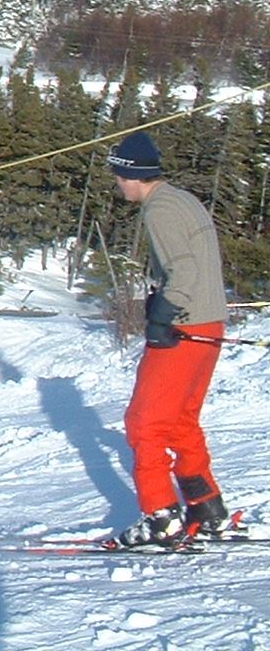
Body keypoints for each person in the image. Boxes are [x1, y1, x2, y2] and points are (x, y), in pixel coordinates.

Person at [108, 130, 231, 547]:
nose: (116, 184)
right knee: (180, 421)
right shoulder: (182, 199)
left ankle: (160, 515)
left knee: (145, 423)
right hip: (209, 324)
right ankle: (205, 506)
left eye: (118, 176)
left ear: (132, 175)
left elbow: (184, 270)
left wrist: (163, 313)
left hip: (185, 326)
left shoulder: (159, 208)